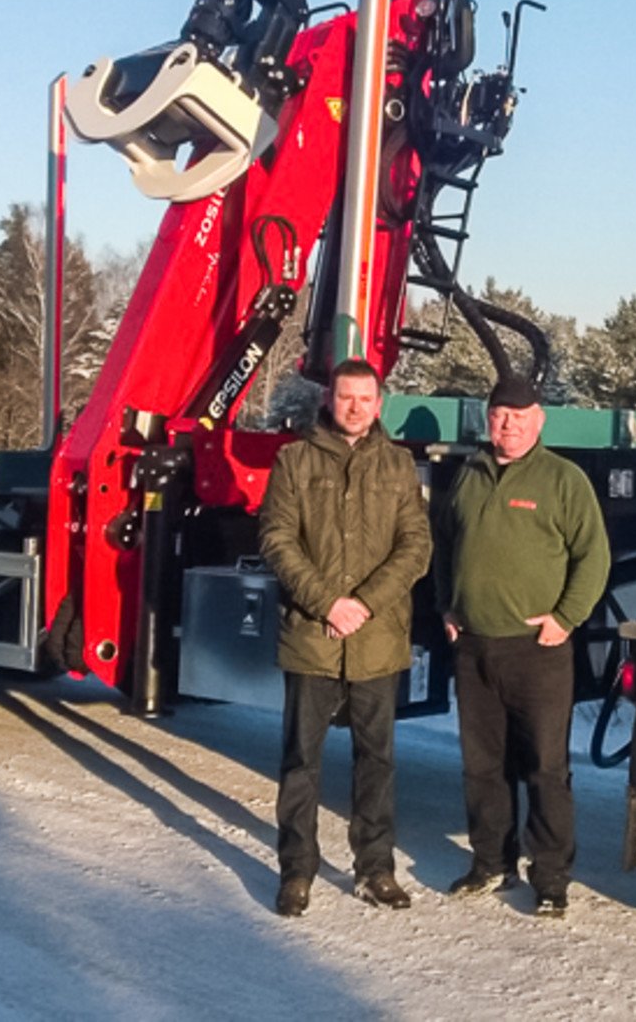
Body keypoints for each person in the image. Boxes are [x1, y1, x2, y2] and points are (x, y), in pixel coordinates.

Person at [259, 358, 431, 917]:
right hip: (313, 636)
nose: (355, 406)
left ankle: (375, 868)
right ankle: (296, 871)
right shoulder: (294, 460)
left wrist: (363, 605)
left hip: (376, 638)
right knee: (300, 761)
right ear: (329, 399)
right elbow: (277, 539)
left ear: (380, 404)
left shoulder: (399, 466)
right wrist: (327, 602)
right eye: (345, 396)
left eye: (365, 398)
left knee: (375, 760)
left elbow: (416, 547)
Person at [439, 372, 610, 918]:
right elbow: (445, 545)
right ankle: (492, 862)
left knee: (545, 767)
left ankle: (551, 876)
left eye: (518, 416)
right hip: (474, 647)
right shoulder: (469, 474)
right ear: (487, 420)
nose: (507, 425)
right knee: (482, 766)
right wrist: (447, 605)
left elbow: (593, 557)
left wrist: (566, 617)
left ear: (539, 419)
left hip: (537, 652)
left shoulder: (563, 480)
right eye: (498, 415)